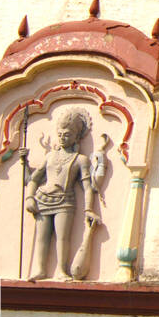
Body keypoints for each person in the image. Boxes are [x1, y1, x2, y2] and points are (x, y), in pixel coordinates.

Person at [24, 107, 100, 280]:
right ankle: (41, 269)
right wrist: (29, 197)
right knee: (42, 237)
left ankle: (61, 269)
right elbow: (34, 179)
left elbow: (87, 187)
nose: (63, 137)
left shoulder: (80, 160)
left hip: (65, 201)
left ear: (76, 137)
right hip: (43, 198)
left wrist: (88, 209)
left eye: (67, 134)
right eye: (60, 134)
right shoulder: (50, 156)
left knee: (62, 237)